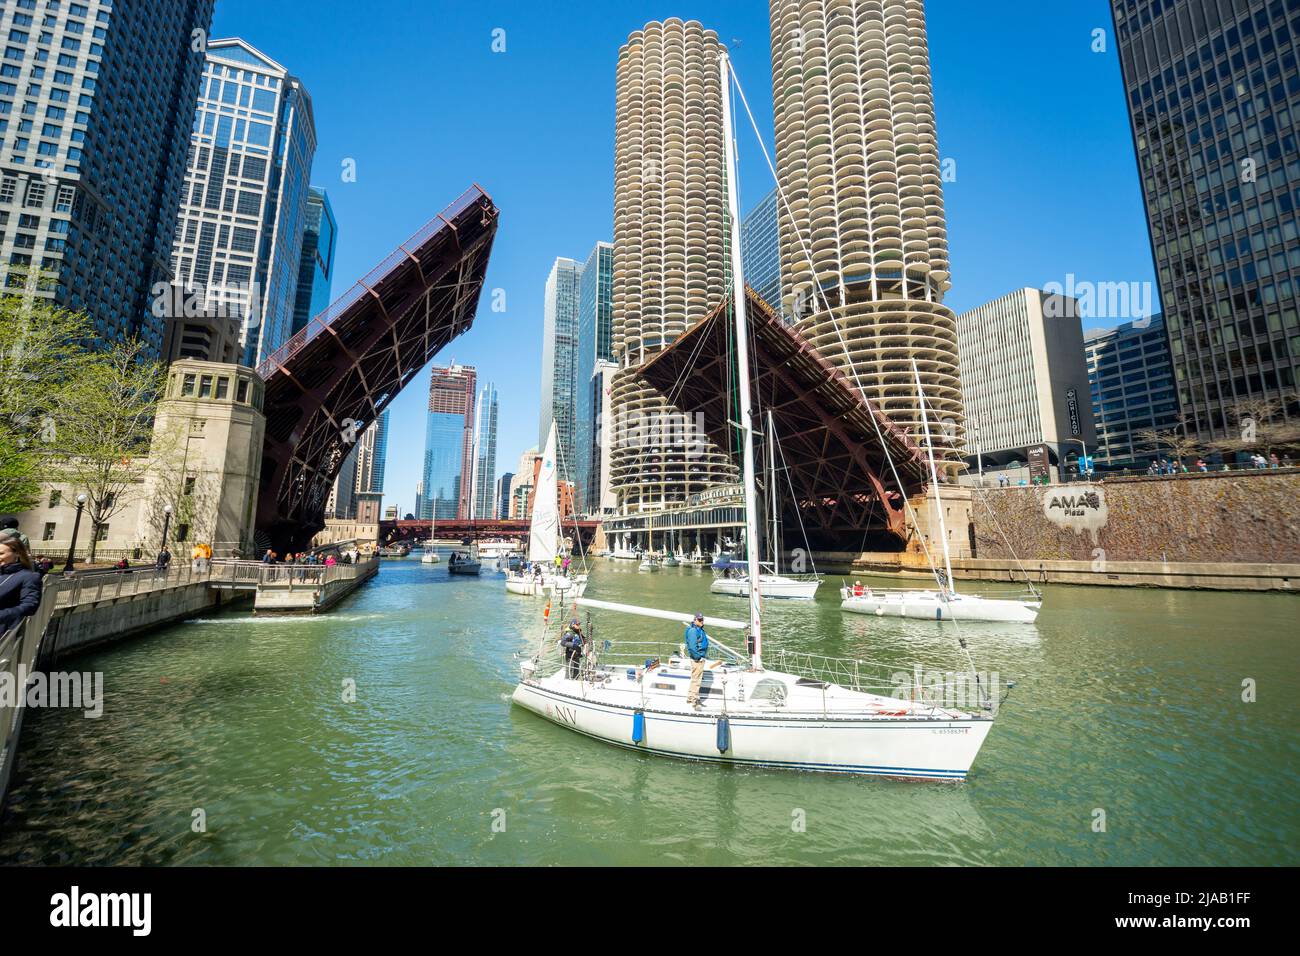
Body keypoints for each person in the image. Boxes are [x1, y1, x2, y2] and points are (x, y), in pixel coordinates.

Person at [0, 534, 42, 635]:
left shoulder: (29, 576)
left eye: (1, 553)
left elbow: (30, 605)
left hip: (4, 633)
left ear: (17, 554)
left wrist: (3, 615)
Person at [684, 613, 710, 709]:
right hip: (697, 659)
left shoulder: (698, 630)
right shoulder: (693, 631)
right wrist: (698, 657)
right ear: (695, 620)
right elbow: (692, 647)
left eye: (702, 619)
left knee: (695, 677)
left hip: (699, 658)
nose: (701, 621)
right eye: (699, 620)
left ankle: (690, 697)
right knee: (696, 680)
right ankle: (695, 701)